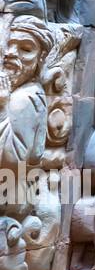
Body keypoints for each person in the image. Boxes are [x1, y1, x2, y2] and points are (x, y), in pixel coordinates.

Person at [0, 15, 52, 169]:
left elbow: (12, 161)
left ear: (41, 58)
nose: (11, 53)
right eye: (7, 45)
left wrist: (2, 107)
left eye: (26, 49)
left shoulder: (25, 98)